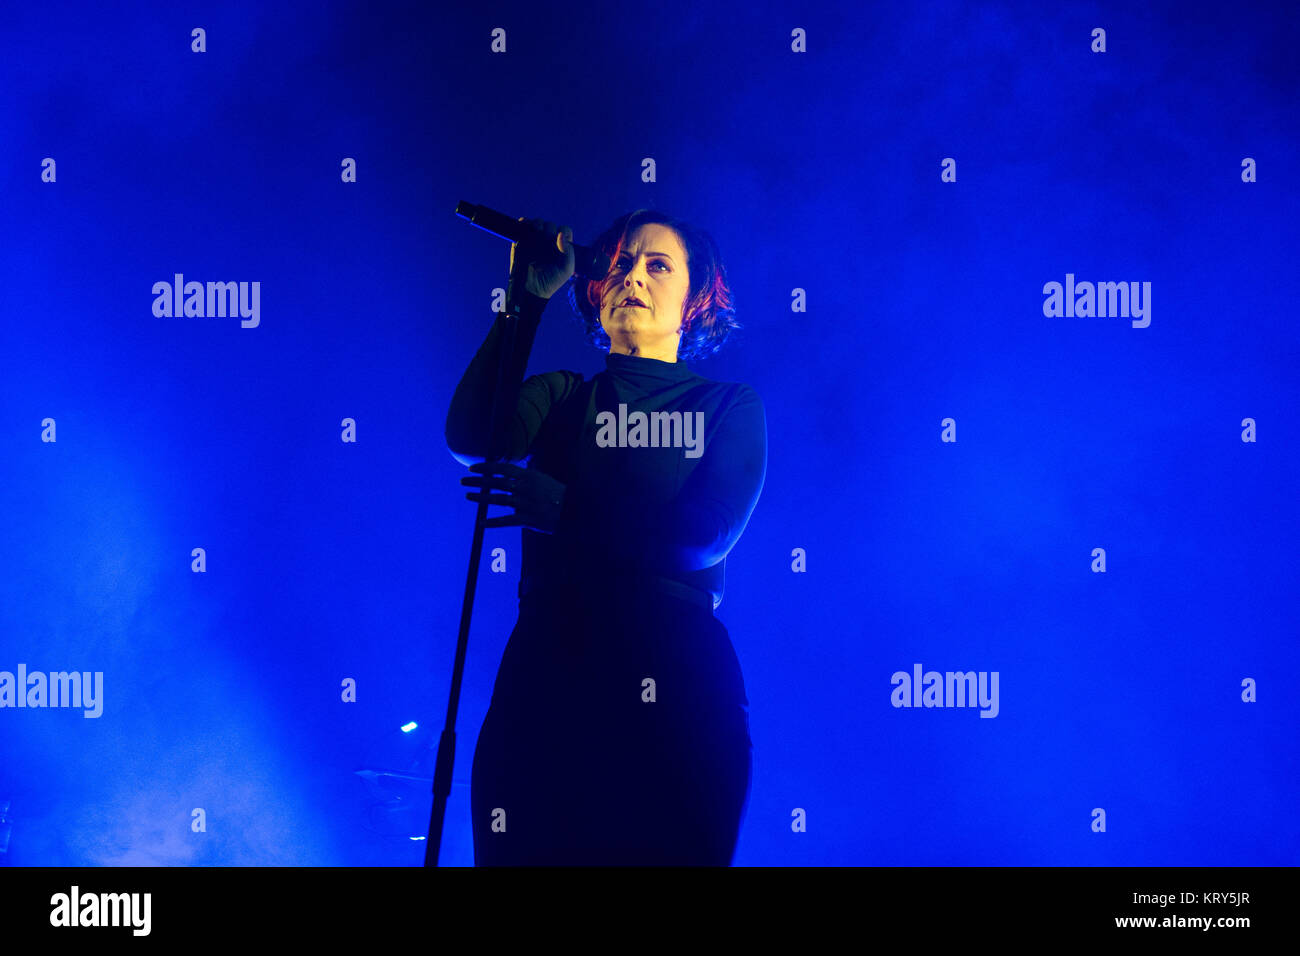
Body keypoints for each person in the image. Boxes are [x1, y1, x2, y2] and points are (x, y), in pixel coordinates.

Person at [445, 208, 767, 865]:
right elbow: (473, 437)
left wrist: (569, 510)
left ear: (695, 298)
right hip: (551, 661)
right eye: (618, 263)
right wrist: (525, 298)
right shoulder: (564, 395)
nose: (632, 277)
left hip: (677, 671)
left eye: (657, 265)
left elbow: (705, 535)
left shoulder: (728, 406)